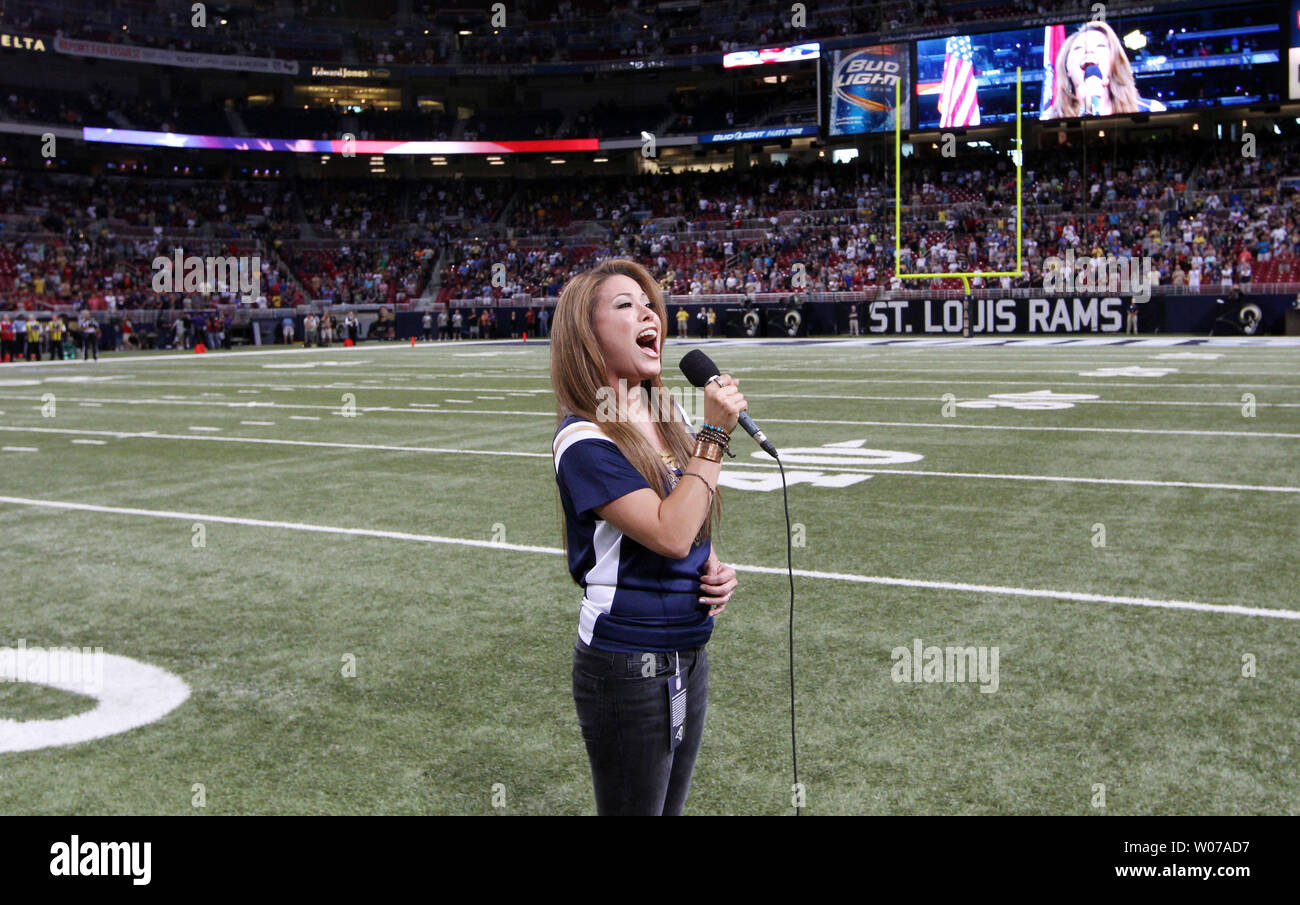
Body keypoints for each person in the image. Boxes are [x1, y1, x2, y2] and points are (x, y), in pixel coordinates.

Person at [550, 258, 742, 816]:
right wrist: (714, 436)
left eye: (649, 303)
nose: (648, 312)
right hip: (628, 663)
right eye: (625, 304)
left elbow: (691, 522)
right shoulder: (583, 438)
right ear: (586, 334)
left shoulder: (663, 407)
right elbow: (670, 533)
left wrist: (713, 569)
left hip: (688, 650)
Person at [1040, 21, 1167, 120]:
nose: (1089, 50)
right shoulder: (1048, 119)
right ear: (1067, 68)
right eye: (1078, 48)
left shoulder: (1152, 110)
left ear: (1114, 62)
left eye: (1100, 46)